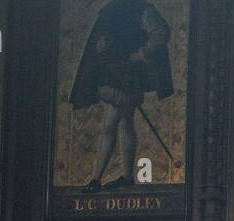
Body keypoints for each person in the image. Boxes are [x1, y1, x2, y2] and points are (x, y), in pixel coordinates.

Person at [68, 0, 174, 192]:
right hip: (116, 75)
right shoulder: (111, 10)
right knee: (124, 121)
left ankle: (98, 178)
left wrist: (139, 55)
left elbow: (161, 34)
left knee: (112, 123)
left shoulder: (143, 9)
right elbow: (103, 40)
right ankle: (123, 176)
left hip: (129, 77)